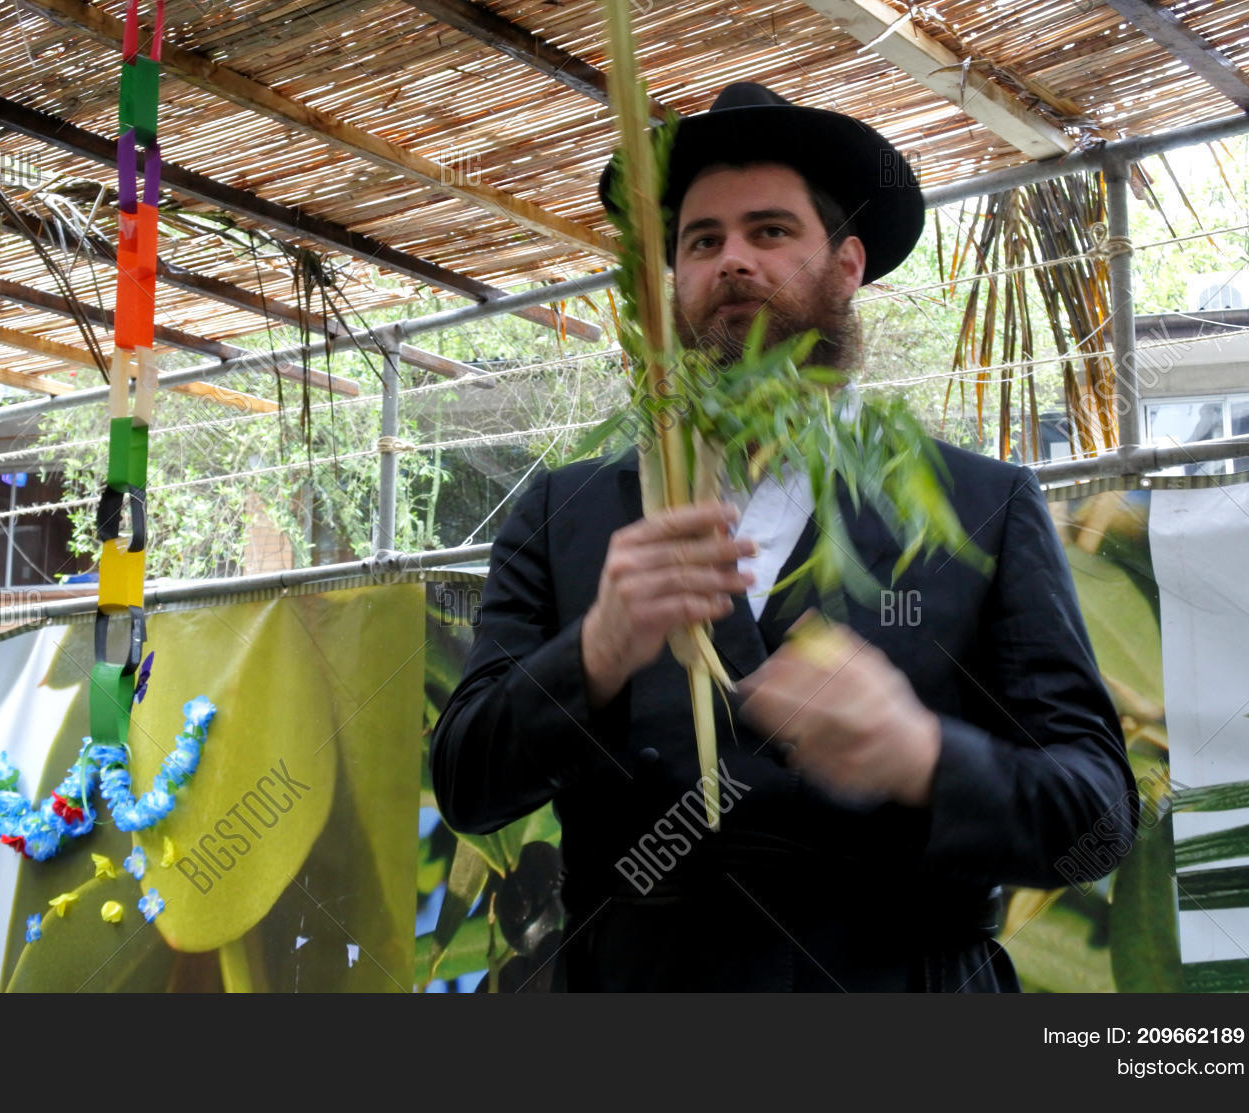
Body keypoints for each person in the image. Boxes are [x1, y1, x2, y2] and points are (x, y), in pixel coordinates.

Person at [429, 83, 1137, 991]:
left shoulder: (983, 505)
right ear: (666, 284)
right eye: (702, 240)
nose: (733, 261)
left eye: (769, 232)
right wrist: (596, 651)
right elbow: (466, 782)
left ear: (846, 265)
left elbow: (1097, 825)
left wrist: (925, 755)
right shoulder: (566, 512)